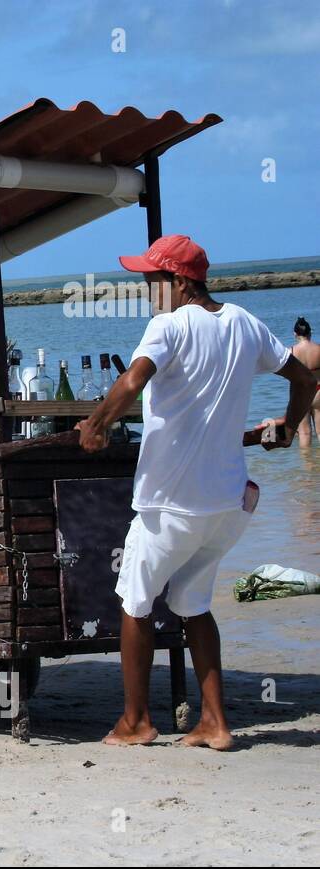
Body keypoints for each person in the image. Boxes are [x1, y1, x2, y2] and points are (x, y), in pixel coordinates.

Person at [76, 235, 315, 751]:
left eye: (150, 280)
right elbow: (305, 379)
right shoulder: (245, 322)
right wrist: (287, 427)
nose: (145, 290)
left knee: (135, 602)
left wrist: (95, 425)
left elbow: (133, 381)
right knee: (193, 604)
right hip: (228, 504)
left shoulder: (169, 325)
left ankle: (135, 722)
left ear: (179, 282)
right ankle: (214, 723)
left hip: (169, 501)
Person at [289, 317, 319, 446]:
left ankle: (308, 465)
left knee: (304, 433)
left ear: (295, 334)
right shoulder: (318, 349)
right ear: (310, 333)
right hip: (318, 392)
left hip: (300, 394)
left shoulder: (291, 352)